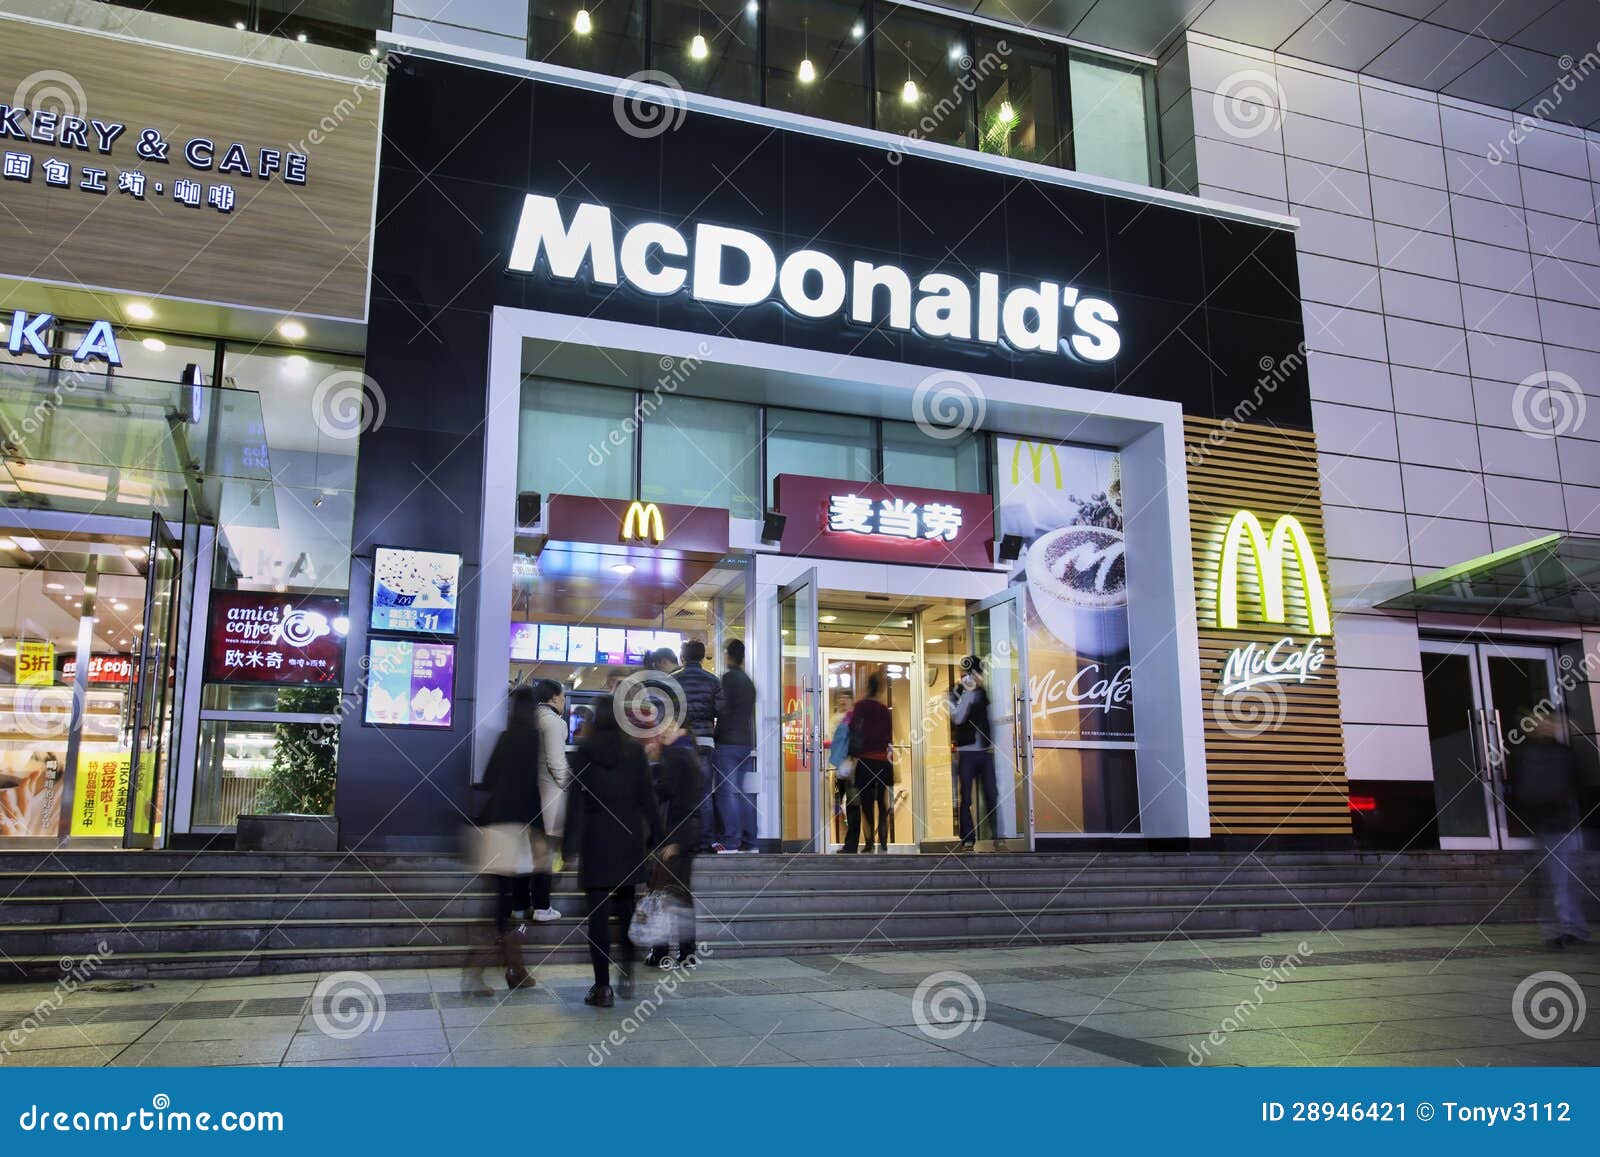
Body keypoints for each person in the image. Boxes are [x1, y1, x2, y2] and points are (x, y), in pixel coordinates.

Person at [564, 695, 662, 1007]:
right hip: (628, 839)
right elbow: (648, 798)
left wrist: (568, 846)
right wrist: (657, 837)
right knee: (626, 910)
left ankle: (602, 987)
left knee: (598, 917)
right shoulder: (634, 752)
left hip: (596, 842)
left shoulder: (585, 752)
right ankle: (629, 972)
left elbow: (575, 802)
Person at [466, 686, 542, 993]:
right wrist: (541, 830)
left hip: (495, 826)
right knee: (519, 905)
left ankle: (506, 969)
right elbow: (532, 787)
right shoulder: (533, 738)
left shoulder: (505, 737)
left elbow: (488, 780)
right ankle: (503, 968)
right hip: (519, 829)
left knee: (502, 900)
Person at [1510, 712, 1590, 948]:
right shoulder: (1530, 754)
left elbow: (1577, 784)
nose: (1546, 727)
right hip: (1548, 825)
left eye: (1549, 723)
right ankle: (1566, 928)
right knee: (1558, 880)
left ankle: (1569, 928)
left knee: (1563, 880)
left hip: (1563, 824)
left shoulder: (1562, 753)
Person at [645, 722, 705, 966]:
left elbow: (665, 792)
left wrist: (651, 766)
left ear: (683, 730)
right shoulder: (689, 754)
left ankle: (661, 952)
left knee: (663, 895)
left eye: (670, 727)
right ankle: (685, 952)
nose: (663, 732)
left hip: (675, 836)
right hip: (684, 835)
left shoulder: (676, 755)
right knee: (678, 895)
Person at [528, 679, 572, 922]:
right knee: (545, 856)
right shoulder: (553, 722)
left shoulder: (530, 719)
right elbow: (556, 762)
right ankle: (542, 906)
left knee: (534, 855)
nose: (564, 700)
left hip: (532, 796)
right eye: (563, 696)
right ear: (554, 697)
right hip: (549, 796)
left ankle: (522, 905)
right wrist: (570, 786)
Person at [673, 640, 722, 851]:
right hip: (704, 741)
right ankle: (705, 841)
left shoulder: (674, 680)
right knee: (704, 794)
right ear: (702, 657)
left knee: (680, 793)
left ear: (683, 657)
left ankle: (681, 841)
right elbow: (721, 710)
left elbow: (668, 711)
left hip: (681, 741)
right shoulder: (713, 681)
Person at [712, 638, 757, 853]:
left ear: (728, 655)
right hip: (745, 743)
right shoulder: (748, 682)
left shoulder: (728, 679)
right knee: (742, 793)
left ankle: (731, 840)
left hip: (727, 743)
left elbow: (721, 709)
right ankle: (750, 841)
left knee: (727, 793)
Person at [949, 656, 998, 852]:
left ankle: (997, 837)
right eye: (975, 674)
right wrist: (967, 694)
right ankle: (968, 838)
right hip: (966, 752)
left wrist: (992, 744)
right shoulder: (956, 692)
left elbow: (990, 718)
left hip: (984, 751)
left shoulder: (983, 693)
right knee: (966, 797)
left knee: (991, 794)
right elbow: (958, 718)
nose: (978, 678)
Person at [844, 673, 894, 854]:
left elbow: (853, 730)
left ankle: (869, 843)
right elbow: (889, 733)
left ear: (867, 686)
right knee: (882, 802)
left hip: (865, 761)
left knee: (866, 804)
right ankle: (884, 842)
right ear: (880, 689)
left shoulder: (861, 706)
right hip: (882, 761)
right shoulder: (884, 710)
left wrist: (851, 755)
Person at [827, 691, 857, 851]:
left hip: (852, 768)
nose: (842, 702)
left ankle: (850, 844)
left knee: (851, 806)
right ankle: (847, 842)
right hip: (838, 768)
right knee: (839, 804)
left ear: (852, 702)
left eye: (845, 699)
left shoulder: (853, 718)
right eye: (840, 700)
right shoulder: (834, 719)